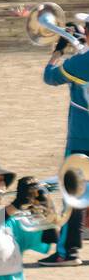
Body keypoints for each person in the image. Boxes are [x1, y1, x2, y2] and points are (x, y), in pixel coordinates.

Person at [40, 21, 88, 266]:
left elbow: (50, 77)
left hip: (82, 137)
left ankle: (67, 253)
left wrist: (59, 52)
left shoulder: (79, 63)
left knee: (73, 196)